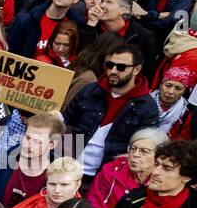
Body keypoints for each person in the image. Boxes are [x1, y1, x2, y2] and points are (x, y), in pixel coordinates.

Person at [62, 43, 160, 178]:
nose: (113, 71)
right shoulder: (90, 91)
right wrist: (63, 161)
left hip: (105, 178)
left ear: (136, 69)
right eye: (110, 65)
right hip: (67, 169)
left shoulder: (148, 107)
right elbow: (66, 125)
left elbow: (145, 149)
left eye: (121, 67)